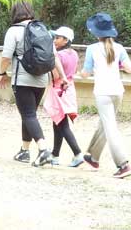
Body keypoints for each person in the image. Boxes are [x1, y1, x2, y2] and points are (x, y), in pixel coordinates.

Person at [0, 2, 69, 166]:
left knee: (28, 114)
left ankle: (43, 150)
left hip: (22, 79)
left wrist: (2, 73)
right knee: (29, 114)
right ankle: (24, 150)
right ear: (30, 12)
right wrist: (63, 76)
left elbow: (6, 57)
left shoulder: (13, 31)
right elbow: (54, 56)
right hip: (42, 79)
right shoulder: (42, 30)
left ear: (15, 13)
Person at [80, 12, 131, 179]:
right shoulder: (119, 48)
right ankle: (93, 158)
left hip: (102, 92)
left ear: (96, 33)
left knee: (110, 128)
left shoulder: (92, 49)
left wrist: (80, 72)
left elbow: (86, 73)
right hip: (118, 91)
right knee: (105, 124)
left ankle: (123, 164)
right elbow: (130, 69)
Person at [44, 26, 85, 167]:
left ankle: (78, 153)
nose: (55, 40)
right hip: (69, 89)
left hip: (58, 89)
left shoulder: (58, 56)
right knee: (58, 122)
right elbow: (74, 71)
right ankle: (55, 155)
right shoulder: (74, 53)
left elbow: (56, 76)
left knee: (62, 124)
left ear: (66, 40)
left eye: (58, 38)